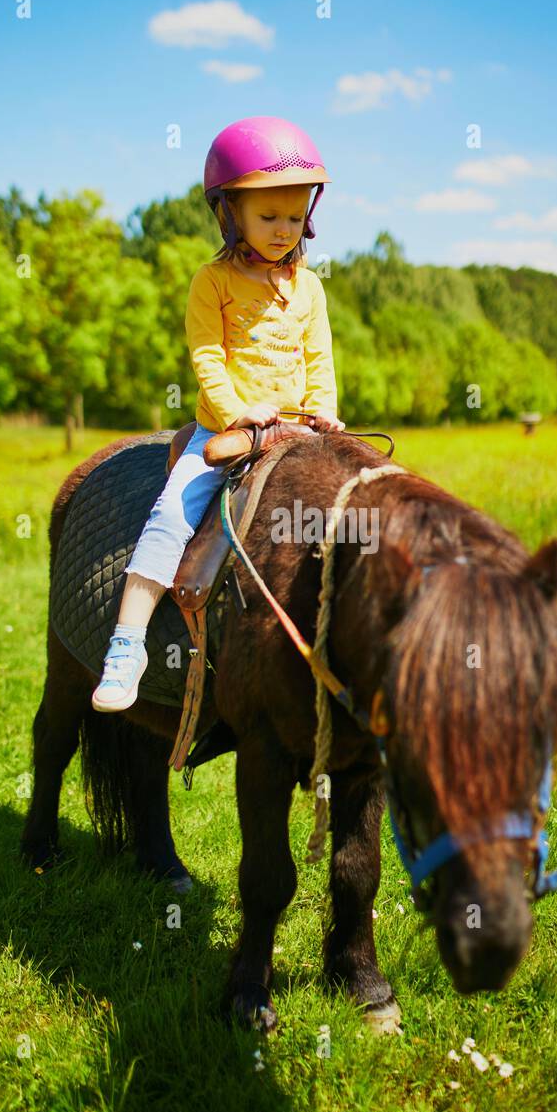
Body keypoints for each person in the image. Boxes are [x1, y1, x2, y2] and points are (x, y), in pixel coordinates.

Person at [91, 115, 345, 712]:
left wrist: (324, 413)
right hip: (226, 431)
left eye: (293, 215)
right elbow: (206, 355)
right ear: (230, 213)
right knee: (172, 518)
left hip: (299, 433)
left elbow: (319, 358)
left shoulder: (309, 287)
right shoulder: (212, 282)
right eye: (268, 216)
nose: (284, 230)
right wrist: (236, 412)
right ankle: (127, 645)